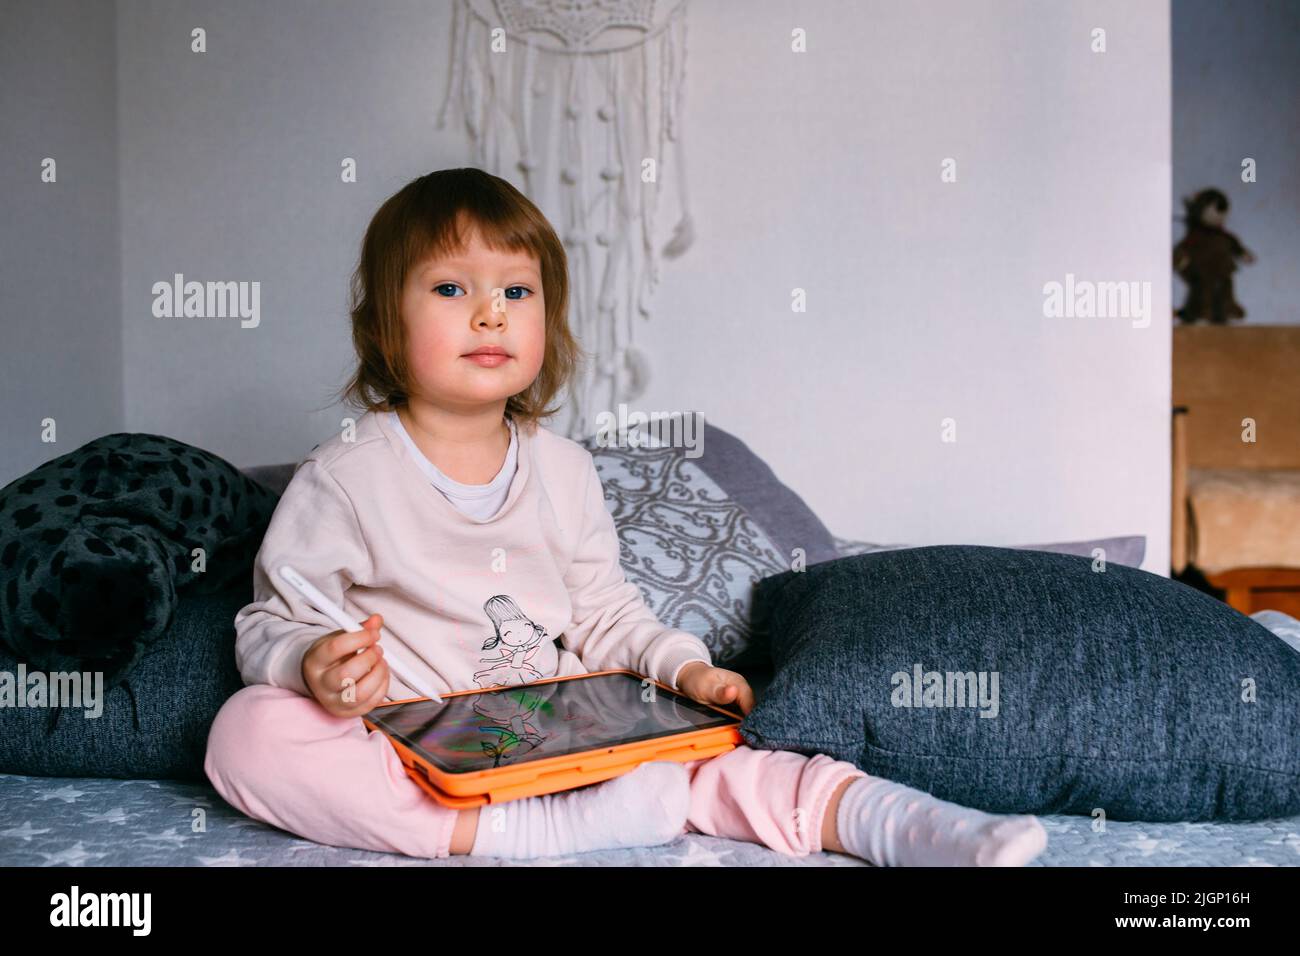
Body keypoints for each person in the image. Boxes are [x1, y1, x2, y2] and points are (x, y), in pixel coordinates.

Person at [204, 168, 1048, 866]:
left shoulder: (564, 471)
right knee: (249, 733)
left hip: (559, 730)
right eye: (452, 287)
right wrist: (313, 662)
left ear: (548, 320)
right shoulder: (346, 475)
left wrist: (685, 674)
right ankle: (496, 838)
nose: (490, 312)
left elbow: (607, 617)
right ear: (385, 323)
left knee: (719, 764)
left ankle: (912, 828)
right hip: (418, 751)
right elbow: (271, 622)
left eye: (517, 290)